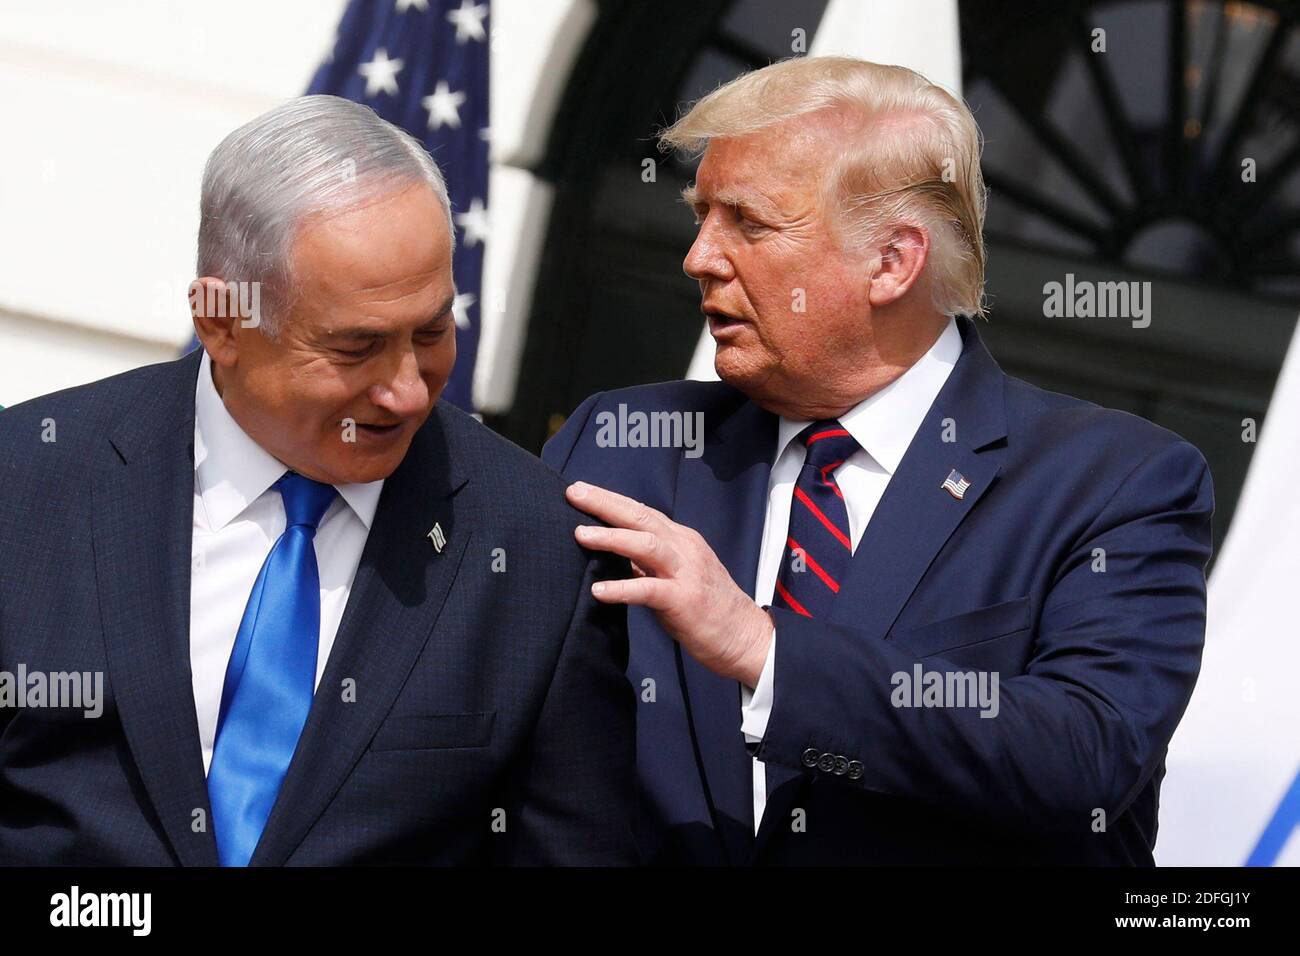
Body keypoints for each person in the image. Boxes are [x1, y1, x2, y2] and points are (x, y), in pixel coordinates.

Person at [544, 56, 1213, 865]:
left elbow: (1085, 755)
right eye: (700, 215)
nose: (699, 257)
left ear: (893, 262)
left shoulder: (1114, 482)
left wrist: (764, 651)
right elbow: (523, 741)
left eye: (747, 223)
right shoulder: (624, 447)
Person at [0, 95, 635, 866]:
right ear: (221, 324)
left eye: (432, 332)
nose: (406, 389)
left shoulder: (539, 555)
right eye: (356, 347)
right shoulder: (26, 484)